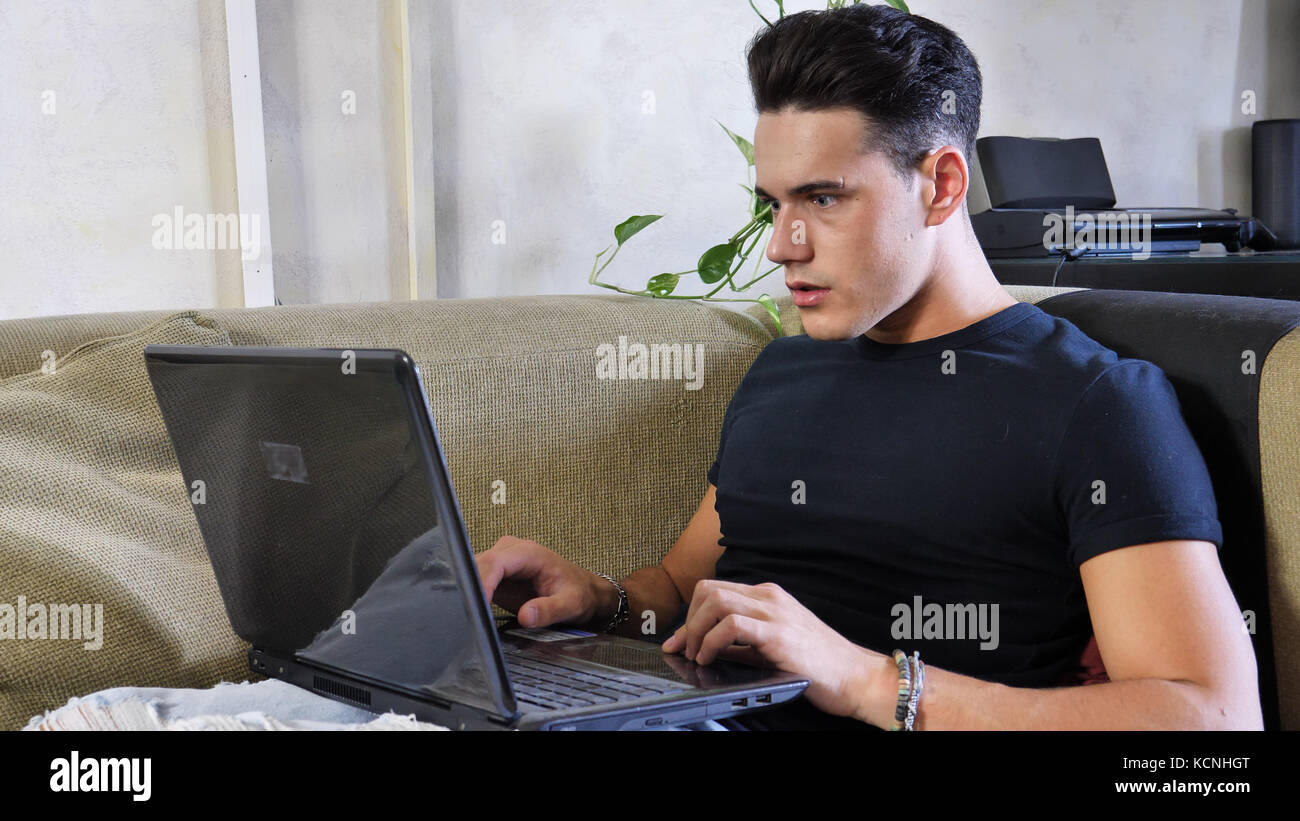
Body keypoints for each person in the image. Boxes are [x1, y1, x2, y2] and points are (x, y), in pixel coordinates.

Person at [476, 5, 1263, 730]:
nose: (784, 245)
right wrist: (599, 601)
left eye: (823, 199)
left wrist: (862, 679)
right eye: (773, 205)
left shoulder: (1094, 402)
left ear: (941, 185)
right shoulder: (781, 372)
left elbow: (1215, 723)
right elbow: (680, 590)